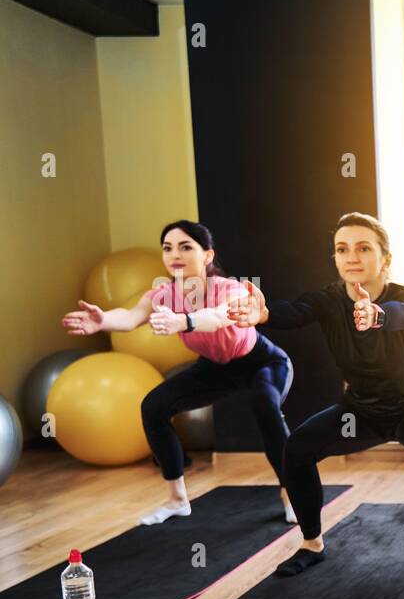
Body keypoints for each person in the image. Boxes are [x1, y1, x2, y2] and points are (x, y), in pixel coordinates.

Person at [229, 212, 404, 577]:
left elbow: (401, 314)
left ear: (385, 259)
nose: (351, 257)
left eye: (363, 248)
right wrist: (264, 315)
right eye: (342, 249)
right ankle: (312, 543)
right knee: (297, 448)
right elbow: (294, 312)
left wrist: (374, 316)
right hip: (360, 412)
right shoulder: (328, 300)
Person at [62, 220, 294, 525]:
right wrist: (102, 319)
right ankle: (177, 499)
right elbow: (131, 317)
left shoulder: (231, 288)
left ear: (208, 256)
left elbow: (220, 316)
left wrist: (183, 321)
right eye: (168, 248)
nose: (175, 254)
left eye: (186, 247)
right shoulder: (163, 294)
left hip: (261, 362)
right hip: (215, 368)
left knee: (265, 405)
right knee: (153, 407)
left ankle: (293, 495)